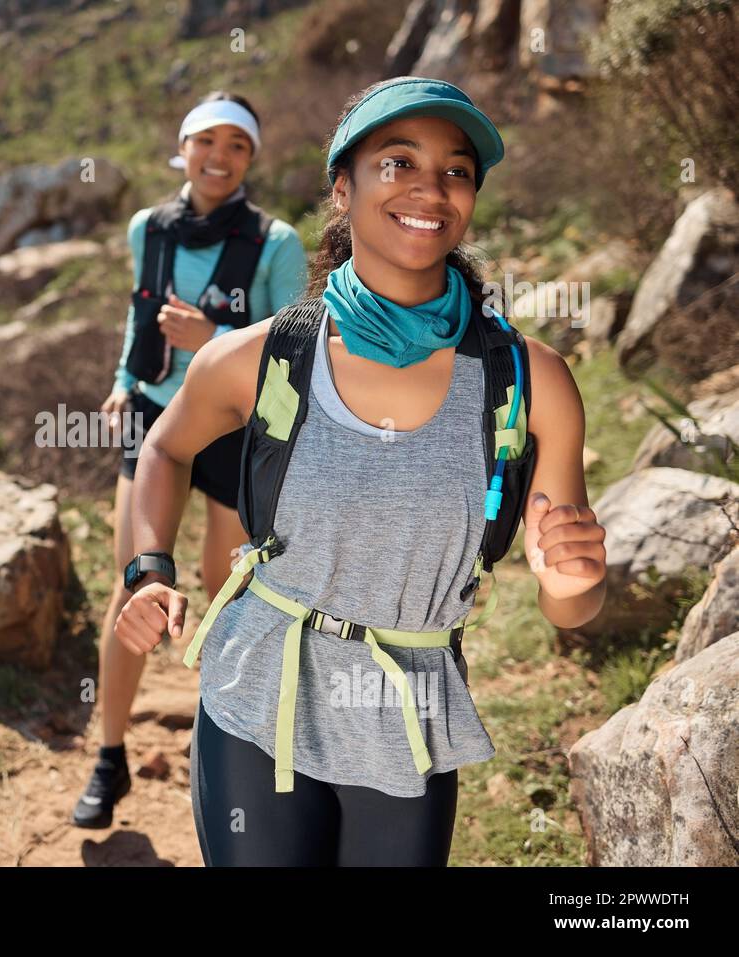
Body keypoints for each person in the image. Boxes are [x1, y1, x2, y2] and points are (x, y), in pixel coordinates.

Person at [114, 77, 608, 864]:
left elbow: (571, 608)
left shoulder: (528, 378)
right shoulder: (264, 354)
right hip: (256, 697)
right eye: (398, 161)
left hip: (405, 709)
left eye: (456, 170)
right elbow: (165, 448)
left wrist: (576, 577)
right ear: (342, 189)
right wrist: (148, 570)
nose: (430, 188)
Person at [72, 91, 308, 829]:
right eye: (207, 140)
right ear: (183, 147)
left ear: (251, 159)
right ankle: (109, 758)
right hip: (150, 418)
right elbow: (139, 313)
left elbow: (294, 345)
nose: (220, 156)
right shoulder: (150, 228)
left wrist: (214, 331)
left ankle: (231, 751)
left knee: (226, 594)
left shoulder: (277, 243)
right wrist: (120, 384)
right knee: (136, 582)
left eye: (237, 145)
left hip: (236, 425)